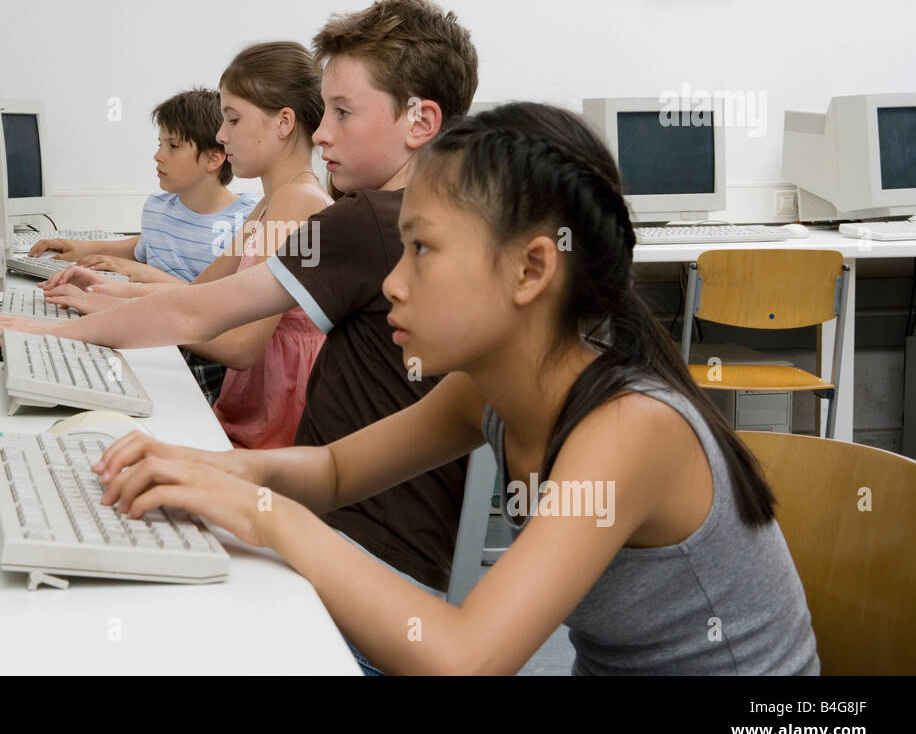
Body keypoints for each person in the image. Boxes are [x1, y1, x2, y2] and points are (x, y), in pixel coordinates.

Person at [89, 102, 822, 676]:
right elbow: (339, 471)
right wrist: (193, 467)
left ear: (532, 270)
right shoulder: (493, 390)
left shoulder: (630, 428)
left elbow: (467, 657)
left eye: (423, 250)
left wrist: (262, 514)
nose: (393, 283)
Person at [0, 0, 480, 593]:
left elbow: (196, 314)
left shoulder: (365, 220)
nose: (322, 136)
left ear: (420, 121)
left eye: (343, 113)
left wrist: (41, 331)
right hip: (377, 544)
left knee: (106, 533)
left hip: (355, 555)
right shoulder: (443, 216)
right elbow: (193, 300)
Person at [27, 88, 260, 402]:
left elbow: (211, 308)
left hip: (203, 350)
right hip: (152, 328)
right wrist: (82, 248)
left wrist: (138, 273)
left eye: (173, 146)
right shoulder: (157, 208)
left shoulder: (245, 222)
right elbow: (143, 245)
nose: (158, 155)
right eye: (159, 143)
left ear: (214, 158)